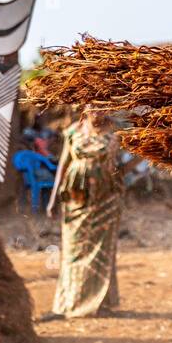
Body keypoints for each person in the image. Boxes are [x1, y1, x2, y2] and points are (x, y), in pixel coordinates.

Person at [46, 107, 126, 318]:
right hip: (76, 199)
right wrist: (53, 198)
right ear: (85, 108)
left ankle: (100, 303)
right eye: (93, 107)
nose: (98, 112)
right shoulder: (74, 131)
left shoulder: (116, 130)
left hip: (106, 199)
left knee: (102, 250)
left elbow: (139, 154)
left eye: (102, 107)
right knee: (73, 250)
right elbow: (64, 164)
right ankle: (69, 302)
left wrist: (122, 172)